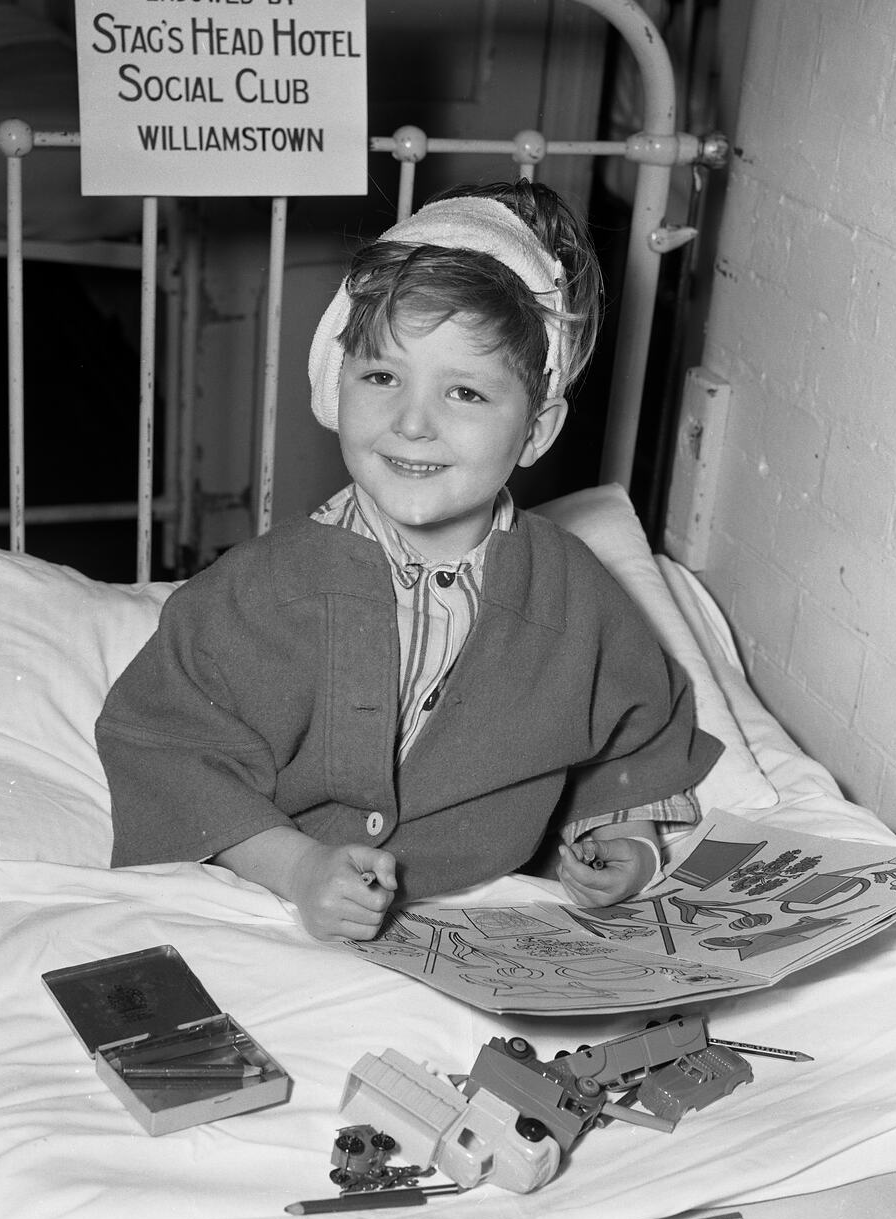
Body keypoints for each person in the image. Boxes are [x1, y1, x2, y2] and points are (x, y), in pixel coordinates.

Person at [96, 180, 722, 941]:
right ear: (338, 384)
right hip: (263, 910)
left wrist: (629, 841)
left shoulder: (576, 600)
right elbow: (164, 747)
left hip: (487, 923)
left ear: (537, 430)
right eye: (383, 377)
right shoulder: (255, 593)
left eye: (464, 392)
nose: (413, 423)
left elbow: (640, 732)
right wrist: (295, 867)